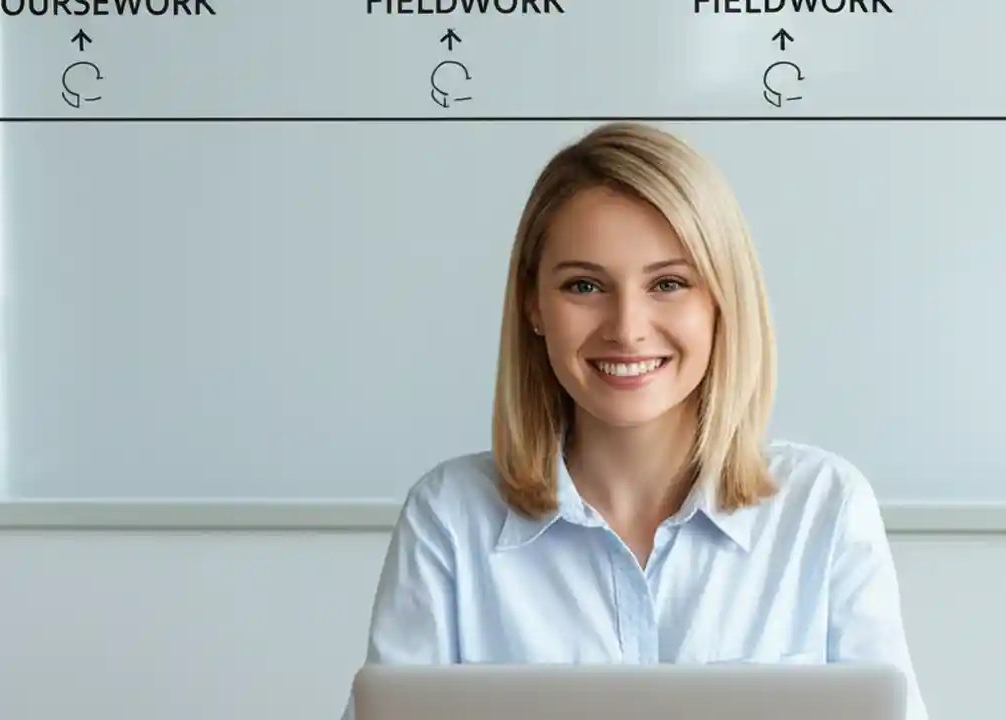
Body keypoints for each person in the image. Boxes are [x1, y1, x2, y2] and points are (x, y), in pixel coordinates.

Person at [339, 121, 929, 720]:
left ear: (721, 301)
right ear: (533, 304)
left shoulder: (823, 509)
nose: (626, 327)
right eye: (585, 285)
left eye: (668, 283)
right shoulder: (450, 517)